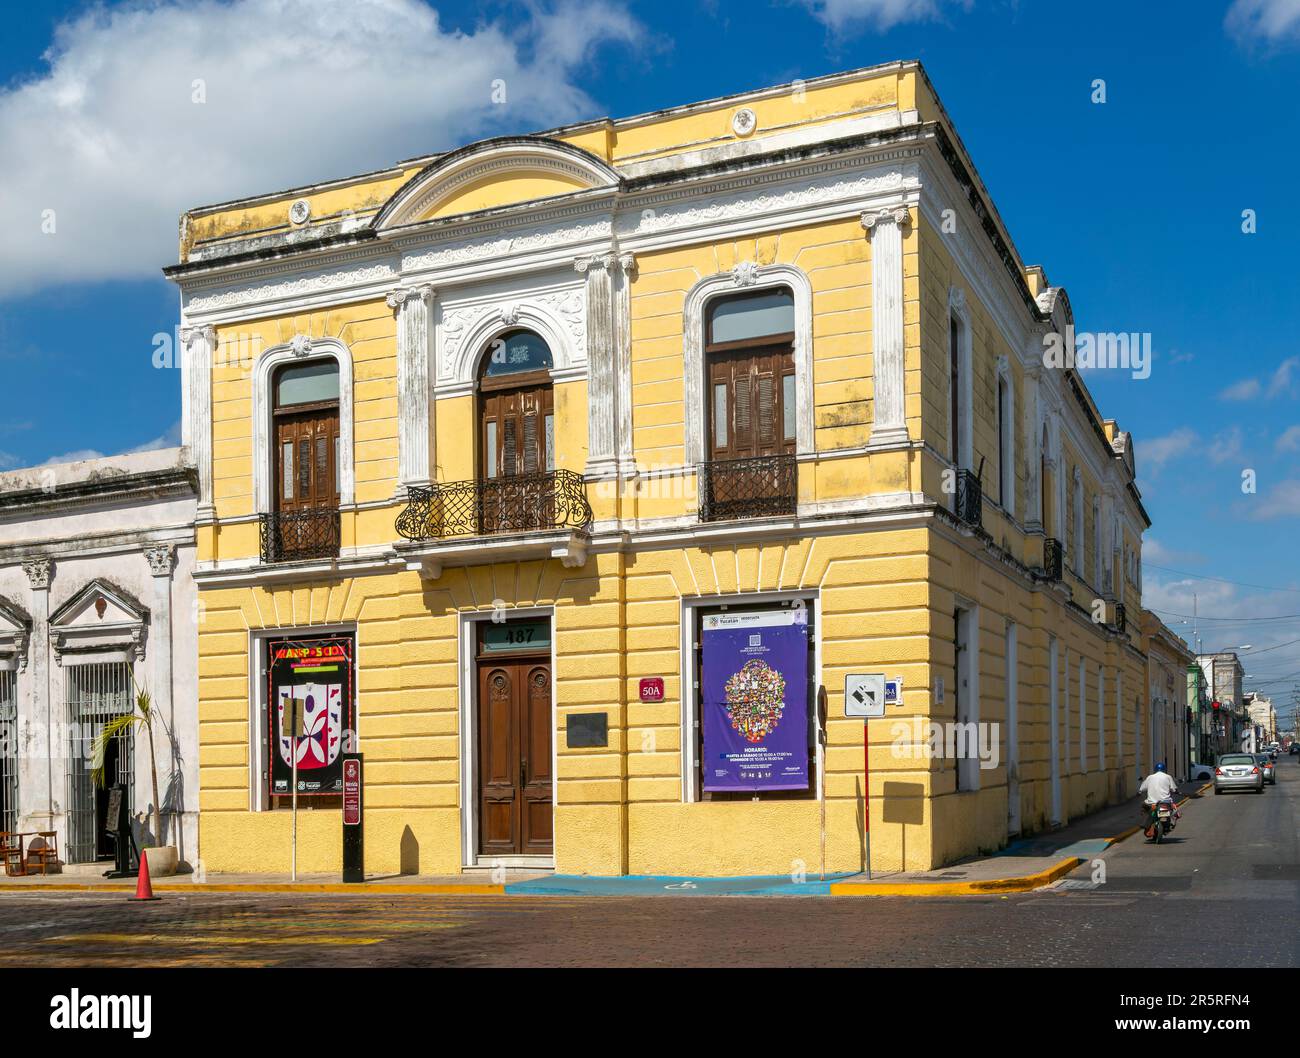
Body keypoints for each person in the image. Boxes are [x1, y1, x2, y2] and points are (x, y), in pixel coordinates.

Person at [1139, 763, 1179, 834]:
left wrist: (1140, 791)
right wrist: (1175, 791)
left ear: (1155, 770)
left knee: (1144, 807)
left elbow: (1142, 789)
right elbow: (1174, 789)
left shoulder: (1150, 777)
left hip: (1151, 803)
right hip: (1165, 802)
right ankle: (1169, 823)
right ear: (1164, 769)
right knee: (1173, 811)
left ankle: (1145, 823)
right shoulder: (1168, 777)